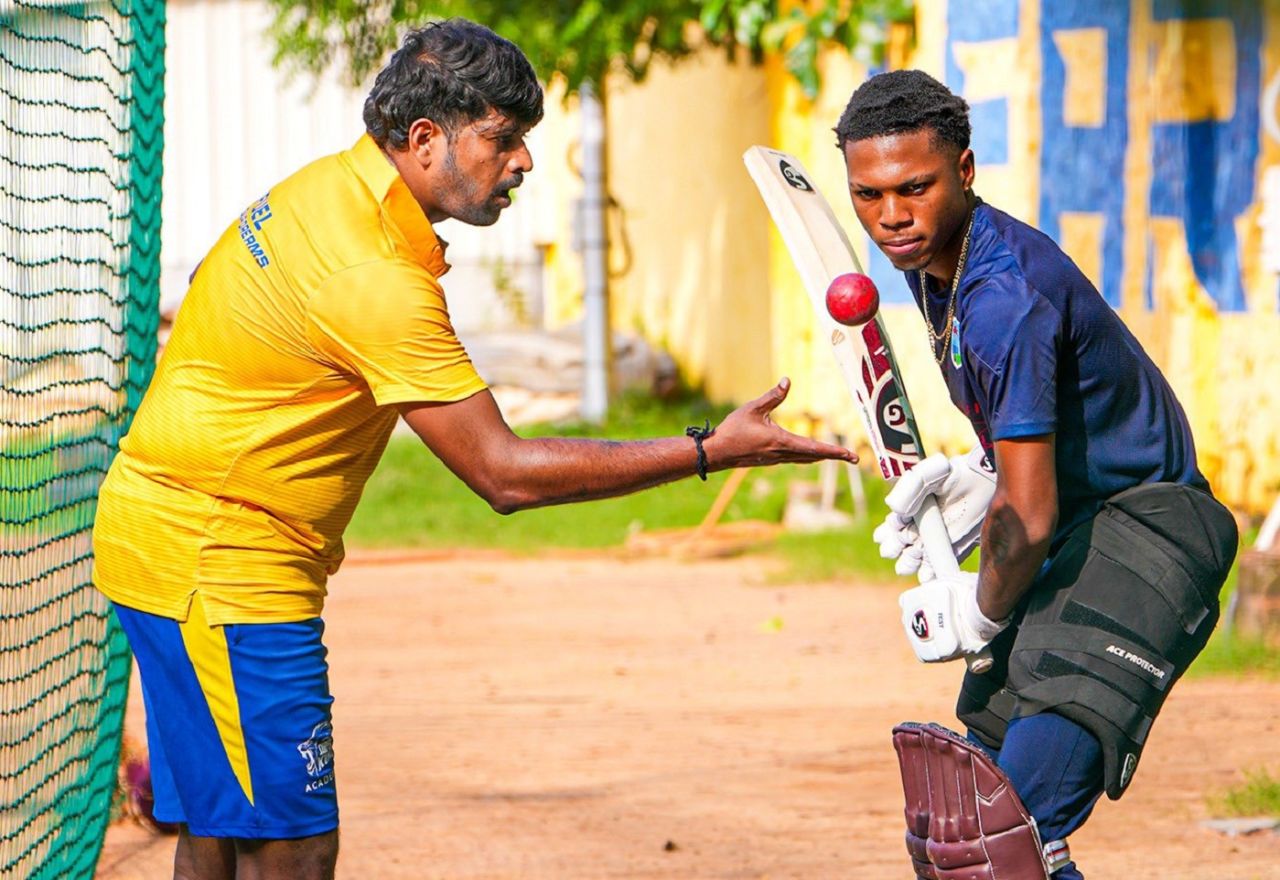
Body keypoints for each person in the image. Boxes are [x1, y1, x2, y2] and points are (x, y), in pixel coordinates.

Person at [91, 19, 855, 880]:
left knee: (220, 827)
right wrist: (711, 449)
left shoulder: (319, 190)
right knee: (293, 844)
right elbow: (503, 474)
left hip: (157, 536)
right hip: (221, 570)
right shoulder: (374, 273)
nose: (523, 161)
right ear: (425, 139)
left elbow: (211, 282)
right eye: (502, 138)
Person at [835, 70, 1238, 879]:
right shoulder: (934, 263)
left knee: (1003, 842)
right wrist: (984, 475)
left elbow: (1031, 516)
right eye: (868, 195)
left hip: (1148, 533)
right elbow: (1040, 445)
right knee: (968, 835)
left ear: (965, 170)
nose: (891, 216)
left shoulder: (1002, 297)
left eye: (914, 188)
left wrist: (979, 610)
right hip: (1083, 527)